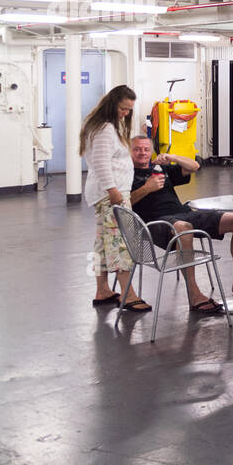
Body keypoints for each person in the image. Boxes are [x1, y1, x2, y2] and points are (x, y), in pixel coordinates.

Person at [127, 136, 233, 313]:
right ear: (129, 152)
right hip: (154, 223)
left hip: (183, 214)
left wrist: (172, 158)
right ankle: (194, 294)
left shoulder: (160, 168)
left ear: (151, 152)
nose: (142, 153)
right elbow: (122, 203)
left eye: (146, 149)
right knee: (183, 229)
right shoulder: (125, 175)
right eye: (137, 149)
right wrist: (147, 188)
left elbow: (194, 166)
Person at [80, 85, 149, 312]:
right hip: (112, 195)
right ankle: (128, 295)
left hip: (106, 195)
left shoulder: (102, 126)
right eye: (123, 108)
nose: (126, 113)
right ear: (112, 104)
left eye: (129, 110)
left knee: (101, 245)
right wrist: (113, 191)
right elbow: (101, 162)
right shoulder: (106, 129)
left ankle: (102, 291)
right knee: (121, 244)